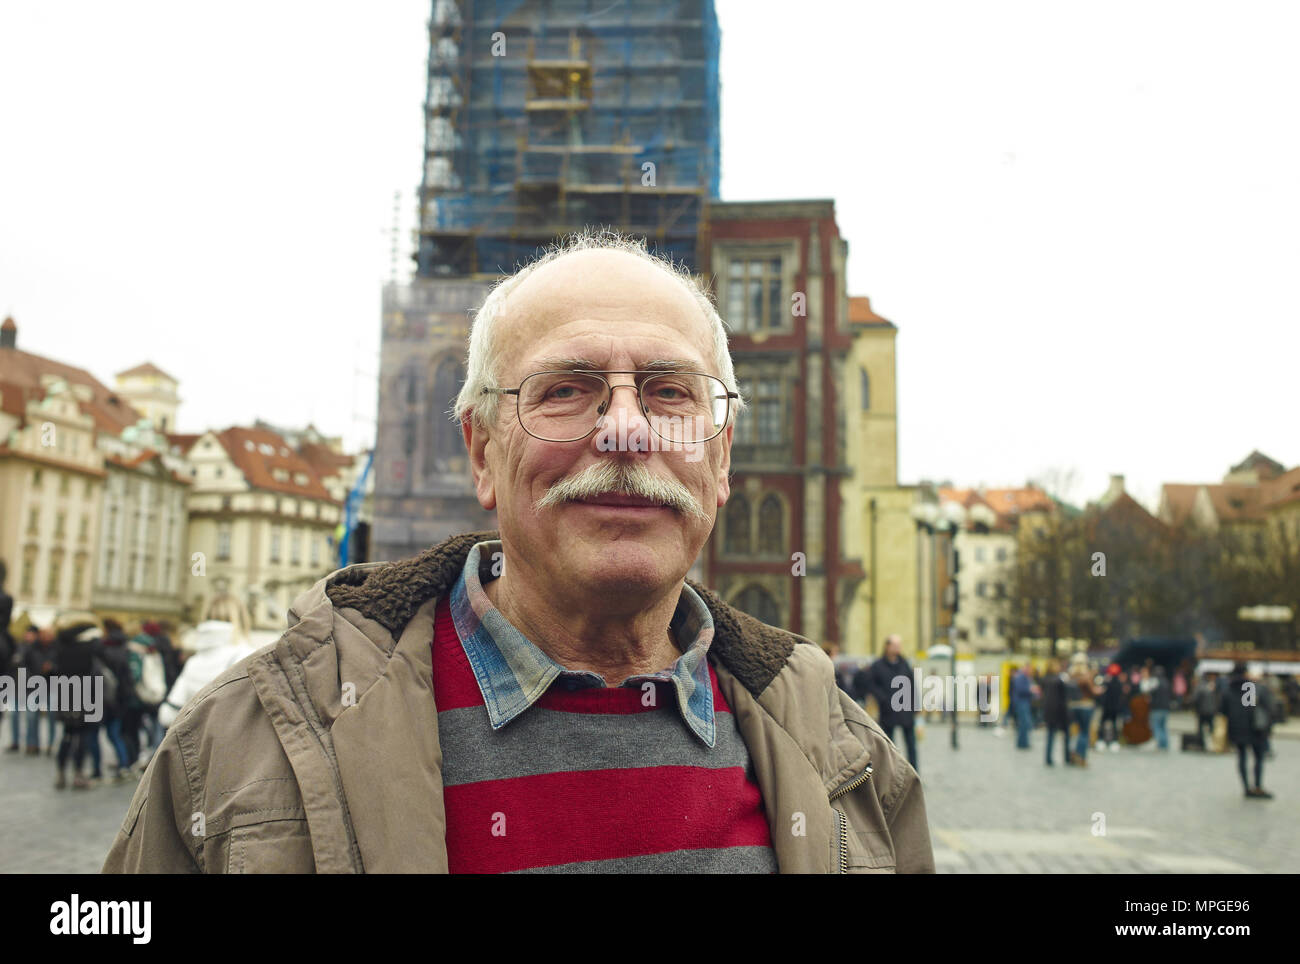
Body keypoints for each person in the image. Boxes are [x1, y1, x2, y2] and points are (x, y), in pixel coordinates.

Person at [105, 231, 935, 874]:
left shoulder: (845, 757)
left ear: (719, 460)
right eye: (565, 389)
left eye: (669, 391)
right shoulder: (243, 746)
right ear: (480, 451)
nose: (623, 428)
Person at [158, 594, 255, 729]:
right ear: (242, 619)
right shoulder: (247, 656)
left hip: (196, 743)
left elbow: (167, 715)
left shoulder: (194, 661)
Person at [51, 613, 105, 790]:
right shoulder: (90, 647)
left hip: (65, 695)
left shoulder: (62, 645)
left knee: (67, 735)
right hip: (86, 697)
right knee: (81, 737)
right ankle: (79, 774)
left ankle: (60, 773)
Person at [1219, 661, 1274, 799]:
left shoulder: (1228, 688)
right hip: (1254, 728)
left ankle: (1246, 787)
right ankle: (1257, 786)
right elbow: (1253, 707)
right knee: (1258, 758)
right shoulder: (1250, 687)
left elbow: (1223, 710)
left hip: (1236, 728)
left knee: (1242, 757)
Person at [864, 634, 919, 771]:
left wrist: (916, 705)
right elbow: (870, 685)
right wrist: (883, 699)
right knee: (888, 745)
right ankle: (890, 772)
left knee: (911, 745)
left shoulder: (904, 664)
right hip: (888, 711)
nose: (897, 649)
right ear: (887, 646)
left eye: (898, 646)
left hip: (906, 710)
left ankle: (913, 771)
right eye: (894, 646)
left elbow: (912, 685)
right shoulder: (878, 665)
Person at [1066, 653, 1101, 766]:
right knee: (1084, 732)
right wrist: (1099, 690)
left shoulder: (1070, 675)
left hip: (1072, 706)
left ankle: (1071, 754)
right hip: (1085, 705)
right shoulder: (1086, 676)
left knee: (1074, 731)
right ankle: (1081, 756)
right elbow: (1092, 691)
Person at [1040, 659, 1070, 766]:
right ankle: (1067, 757)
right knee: (1066, 735)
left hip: (1048, 710)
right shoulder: (1059, 680)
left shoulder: (1044, 679)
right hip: (1059, 711)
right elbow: (1064, 697)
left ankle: (1048, 758)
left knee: (1050, 735)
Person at [1098, 663, 1126, 751]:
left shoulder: (1106, 683)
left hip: (1107, 707)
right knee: (1114, 724)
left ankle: (1101, 740)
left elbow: (1102, 696)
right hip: (1115, 708)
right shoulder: (1120, 684)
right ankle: (1114, 741)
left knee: (1103, 724)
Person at [1010, 663, 1038, 750]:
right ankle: (1022, 743)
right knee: (1024, 723)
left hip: (1025, 702)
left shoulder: (1027, 678)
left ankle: (1023, 742)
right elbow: (1020, 690)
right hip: (1021, 702)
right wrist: (1031, 690)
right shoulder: (1020, 678)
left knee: (1025, 723)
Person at [1148, 665, 1172, 751]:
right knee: (1163, 726)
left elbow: (1150, 692)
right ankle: (1165, 744)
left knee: (1156, 726)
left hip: (1156, 707)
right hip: (1166, 707)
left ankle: (1160, 743)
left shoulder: (1155, 682)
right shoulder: (1166, 682)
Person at [1194, 672, 1219, 750]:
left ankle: (1202, 744)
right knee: (1211, 728)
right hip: (1211, 710)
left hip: (1202, 710)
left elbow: (1195, 698)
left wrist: (1196, 708)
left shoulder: (1200, 686)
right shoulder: (1214, 686)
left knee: (1201, 728)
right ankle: (1212, 744)